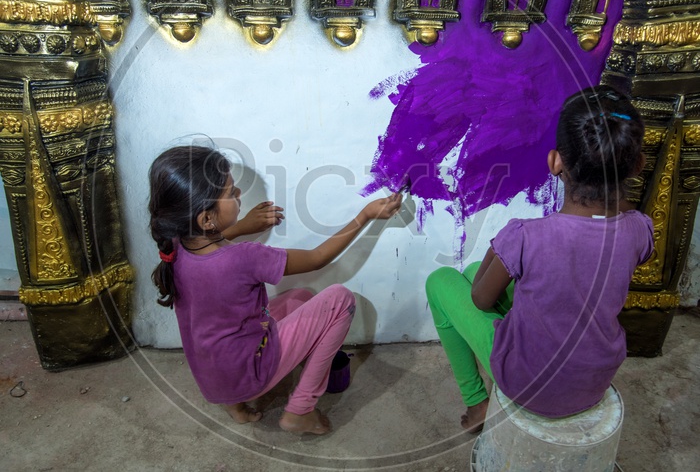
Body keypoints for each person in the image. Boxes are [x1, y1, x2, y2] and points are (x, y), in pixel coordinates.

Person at [426, 85, 655, 433]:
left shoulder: (526, 235)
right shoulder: (640, 229)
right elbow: (590, 257)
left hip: (529, 385)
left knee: (441, 282)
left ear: (555, 162)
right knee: (476, 272)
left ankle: (477, 403)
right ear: (637, 165)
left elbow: (480, 299)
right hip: (593, 380)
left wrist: (502, 241)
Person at [148, 144, 402, 435]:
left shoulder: (176, 247)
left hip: (212, 377)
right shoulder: (244, 257)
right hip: (250, 372)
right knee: (339, 300)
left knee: (300, 298)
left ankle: (238, 409)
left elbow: (211, 242)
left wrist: (241, 226)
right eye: (231, 192)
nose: (240, 194)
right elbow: (319, 257)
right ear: (207, 219)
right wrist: (366, 215)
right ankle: (300, 410)